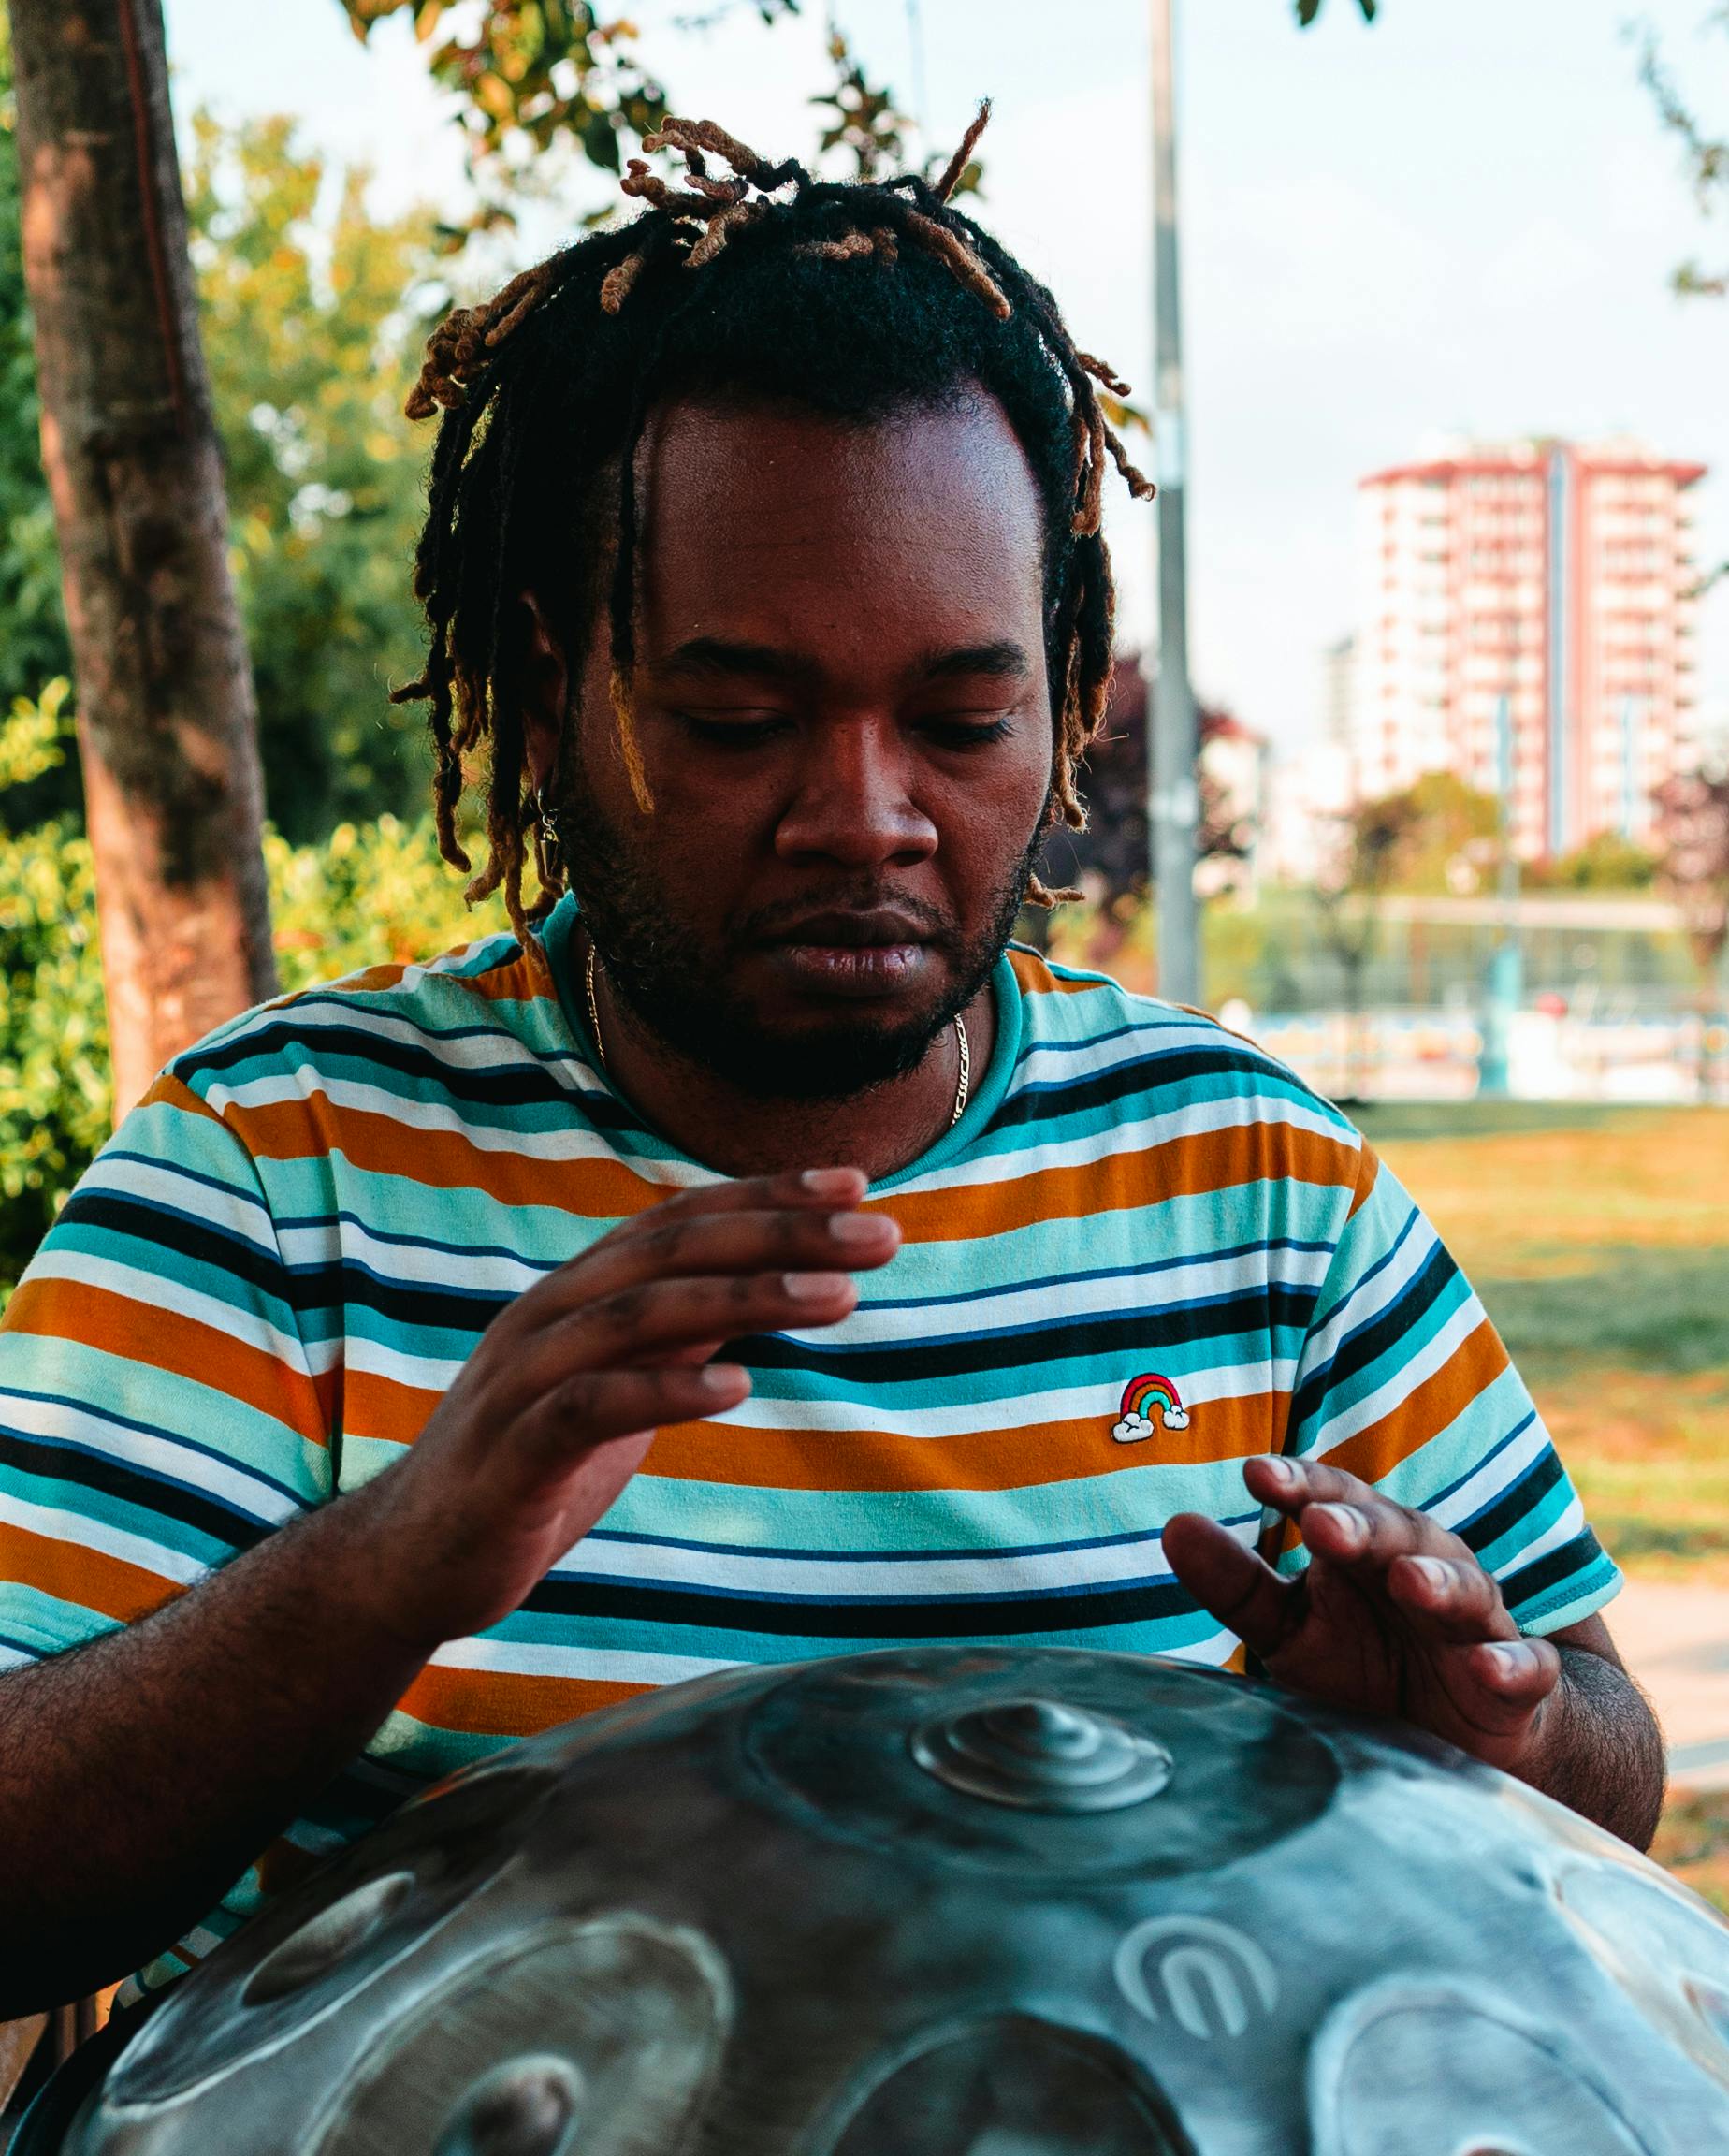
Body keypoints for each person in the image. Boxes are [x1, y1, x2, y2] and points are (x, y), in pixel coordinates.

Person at [0, 112, 1659, 2021]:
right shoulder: (275, 1176)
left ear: (1059, 699)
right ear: (548, 695)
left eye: (960, 716)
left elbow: (1606, 1770)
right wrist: (377, 1579)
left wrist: (1479, 1745)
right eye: (736, 716)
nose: (864, 814)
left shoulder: (1257, 1185)